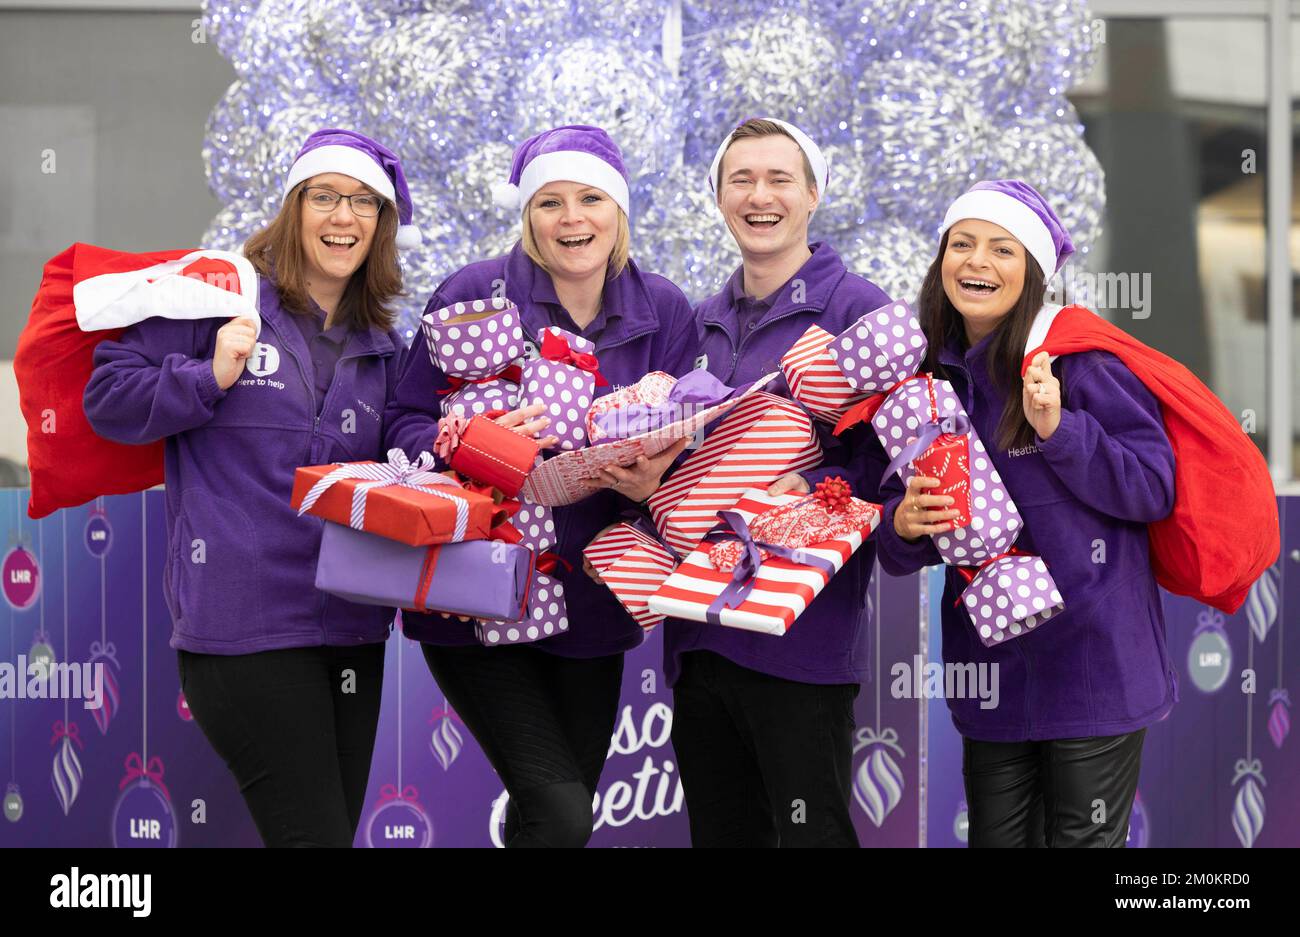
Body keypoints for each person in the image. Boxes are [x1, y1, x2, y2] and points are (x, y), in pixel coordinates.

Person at [84, 128, 417, 847]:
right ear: (293, 209)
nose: (343, 216)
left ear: (381, 226)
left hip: (353, 632)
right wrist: (210, 374)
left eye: (363, 201)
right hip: (244, 634)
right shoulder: (216, 297)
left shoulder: (386, 345)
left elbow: (409, 452)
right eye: (323, 196)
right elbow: (107, 397)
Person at [383, 124, 697, 848]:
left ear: (619, 211)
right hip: (472, 598)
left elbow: (695, 442)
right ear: (527, 215)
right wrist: (467, 436)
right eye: (550, 202)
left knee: (553, 822)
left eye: (590, 198)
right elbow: (401, 425)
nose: (572, 218)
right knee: (558, 813)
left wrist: (656, 477)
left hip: (592, 602)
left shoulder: (665, 311)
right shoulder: (471, 295)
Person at [875, 179, 1177, 847]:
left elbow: (1153, 486)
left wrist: (1060, 428)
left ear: (1032, 271)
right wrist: (903, 524)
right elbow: (905, 541)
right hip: (995, 674)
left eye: (1001, 249)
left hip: (1095, 666)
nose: (976, 261)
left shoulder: (1081, 362)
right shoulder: (927, 378)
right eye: (962, 244)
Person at [661, 117, 893, 847]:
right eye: (741, 179)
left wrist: (813, 482)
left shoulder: (859, 312)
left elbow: (899, 461)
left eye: (778, 178)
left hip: (801, 641)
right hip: (700, 633)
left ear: (813, 194)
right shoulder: (700, 324)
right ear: (720, 196)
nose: (760, 196)